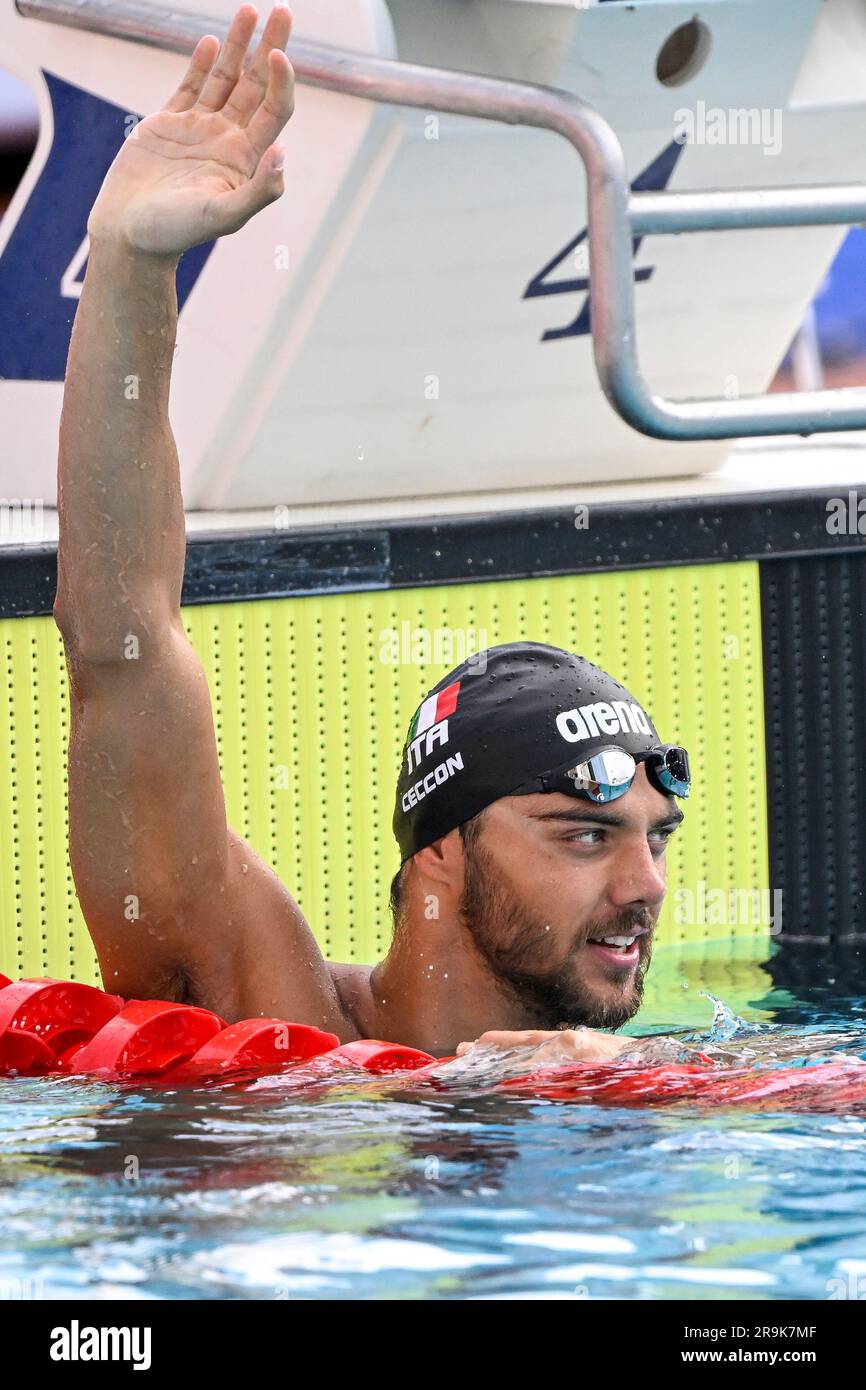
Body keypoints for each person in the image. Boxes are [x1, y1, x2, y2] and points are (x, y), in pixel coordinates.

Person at [53, 3, 690, 1069]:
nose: (644, 889)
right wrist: (127, 263)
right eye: (585, 835)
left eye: (652, 837)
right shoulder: (260, 1001)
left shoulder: (634, 1087)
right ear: (440, 852)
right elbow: (120, 640)